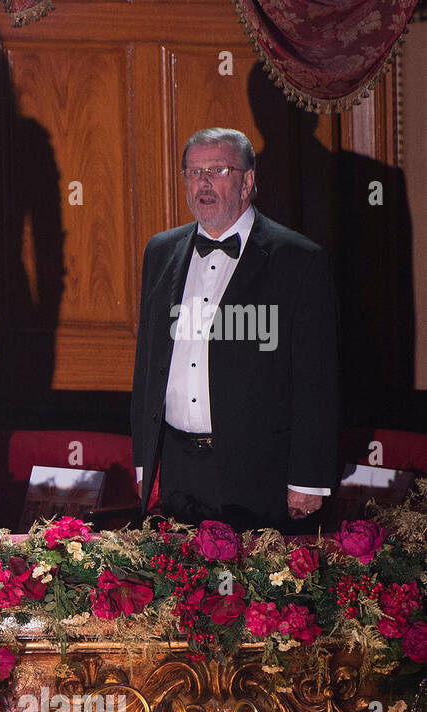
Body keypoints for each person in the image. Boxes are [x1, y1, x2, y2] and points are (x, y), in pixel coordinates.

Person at [130, 127, 340, 531]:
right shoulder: (160, 251)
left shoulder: (298, 260)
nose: (202, 183)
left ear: (247, 181)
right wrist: (145, 463)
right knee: (180, 591)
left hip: (257, 473)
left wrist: (308, 479)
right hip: (177, 470)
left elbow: (316, 382)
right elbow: (148, 366)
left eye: (217, 170)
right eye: (193, 172)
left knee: (253, 593)